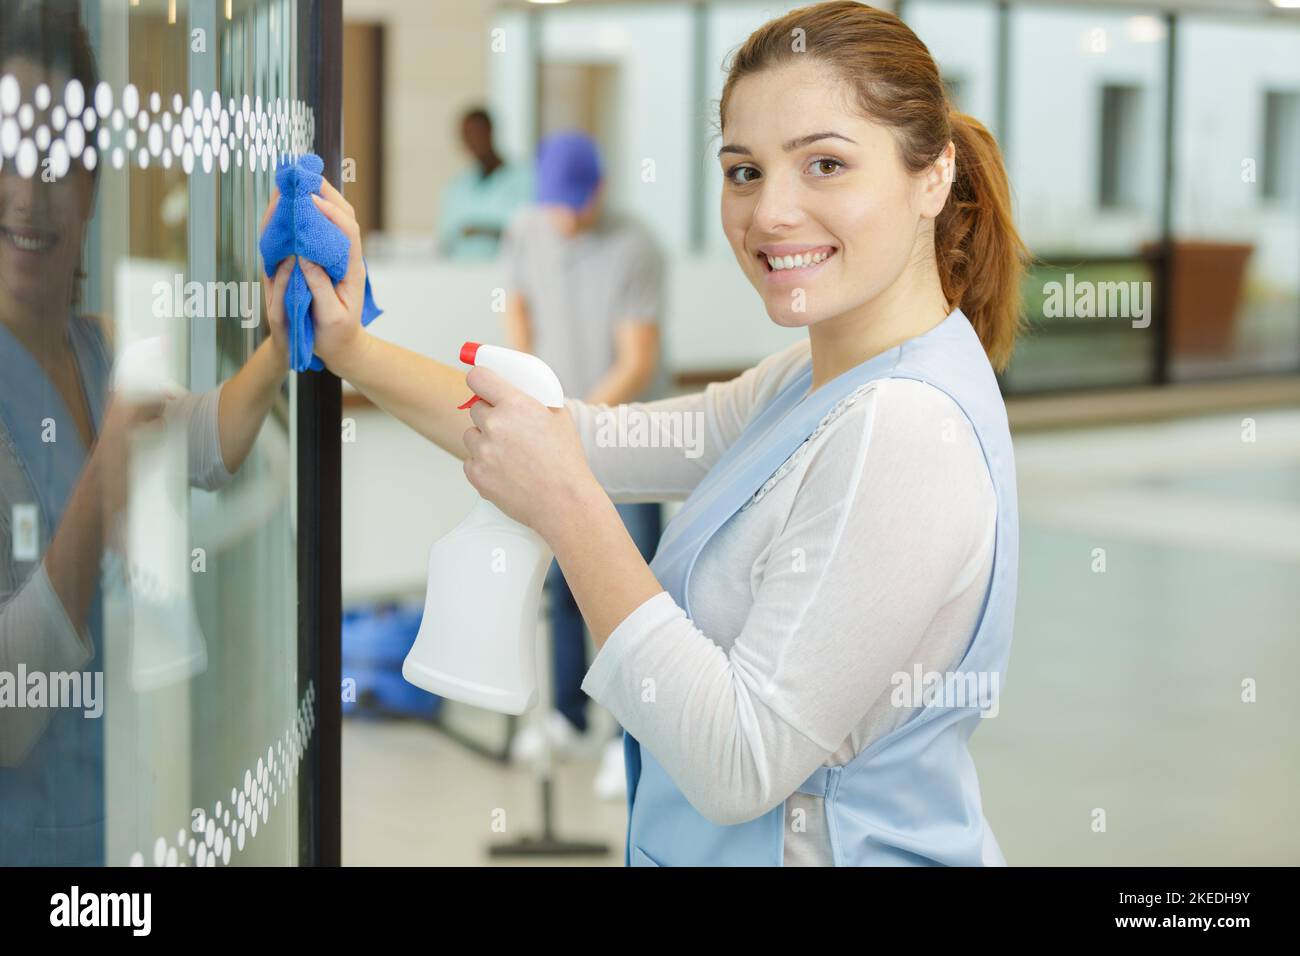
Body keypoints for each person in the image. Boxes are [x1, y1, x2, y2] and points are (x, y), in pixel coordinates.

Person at [280, 0, 1027, 866]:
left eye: (825, 163)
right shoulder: (813, 379)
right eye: (744, 171)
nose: (772, 212)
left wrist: (565, 507)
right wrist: (352, 349)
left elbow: (740, 764)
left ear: (932, 176)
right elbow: (583, 439)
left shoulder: (900, 428)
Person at [0, 7, 288, 865]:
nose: (29, 190)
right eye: (8, 152)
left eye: (58, 159)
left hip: (108, 830)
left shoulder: (95, 348)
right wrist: (106, 475)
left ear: (91, 187)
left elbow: (197, 440)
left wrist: (280, 345)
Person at [498, 131, 664, 799]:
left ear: (599, 189)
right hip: (556, 431)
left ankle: (629, 740)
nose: (564, 219)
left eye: (576, 203)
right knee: (564, 583)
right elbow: (517, 306)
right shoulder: (526, 229)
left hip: (627, 438)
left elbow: (637, 360)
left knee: (629, 590)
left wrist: (572, 422)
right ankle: (569, 717)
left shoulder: (636, 246)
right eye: (554, 205)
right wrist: (528, 383)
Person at [436, 107, 531, 260]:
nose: (472, 141)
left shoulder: (525, 178)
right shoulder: (457, 187)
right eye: (466, 135)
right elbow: (446, 241)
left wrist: (482, 231)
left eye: (477, 133)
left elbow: (527, 232)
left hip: (503, 273)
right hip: (461, 273)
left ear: (491, 132)